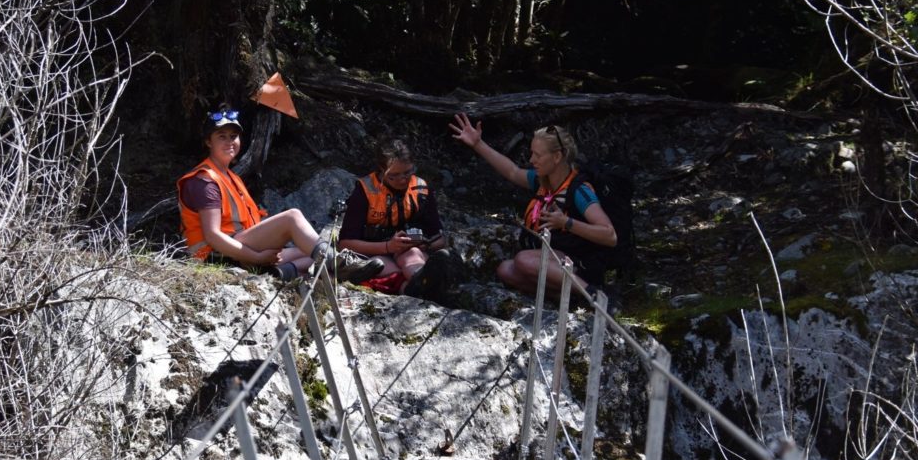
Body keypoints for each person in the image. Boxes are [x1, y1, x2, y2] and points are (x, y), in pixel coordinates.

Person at [177, 108, 384, 284]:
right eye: (221, 137)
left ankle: (281, 273)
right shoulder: (204, 180)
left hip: (238, 248)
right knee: (292, 217)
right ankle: (338, 266)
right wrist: (257, 257)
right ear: (208, 142)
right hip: (214, 257)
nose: (230, 142)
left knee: (309, 250)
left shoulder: (231, 176)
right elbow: (212, 236)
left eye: (233, 136)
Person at [449, 112, 617, 295]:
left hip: (581, 264)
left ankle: (591, 293)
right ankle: (566, 297)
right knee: (505, 270)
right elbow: (512, 172)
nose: (531, 160)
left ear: (557, 157)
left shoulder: (579, 191)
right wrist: (478, 144)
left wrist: (566, 223)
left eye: (537, 155)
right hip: (553, 258)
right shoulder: (543, 181)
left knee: (523, 260)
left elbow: (609, 236)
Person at [338, 138, 451, 299]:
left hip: (411, 251)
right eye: (393, 176)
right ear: (381, 170)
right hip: (374, 253)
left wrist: (424, 244)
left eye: (407, 172)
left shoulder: (421, 190)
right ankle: (418, 288)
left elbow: (440, 239)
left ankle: (422, 280)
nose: (402, 180)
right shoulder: (364, 192)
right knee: (383, 267)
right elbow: (345, 244)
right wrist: (388, 247)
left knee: (411, 255)